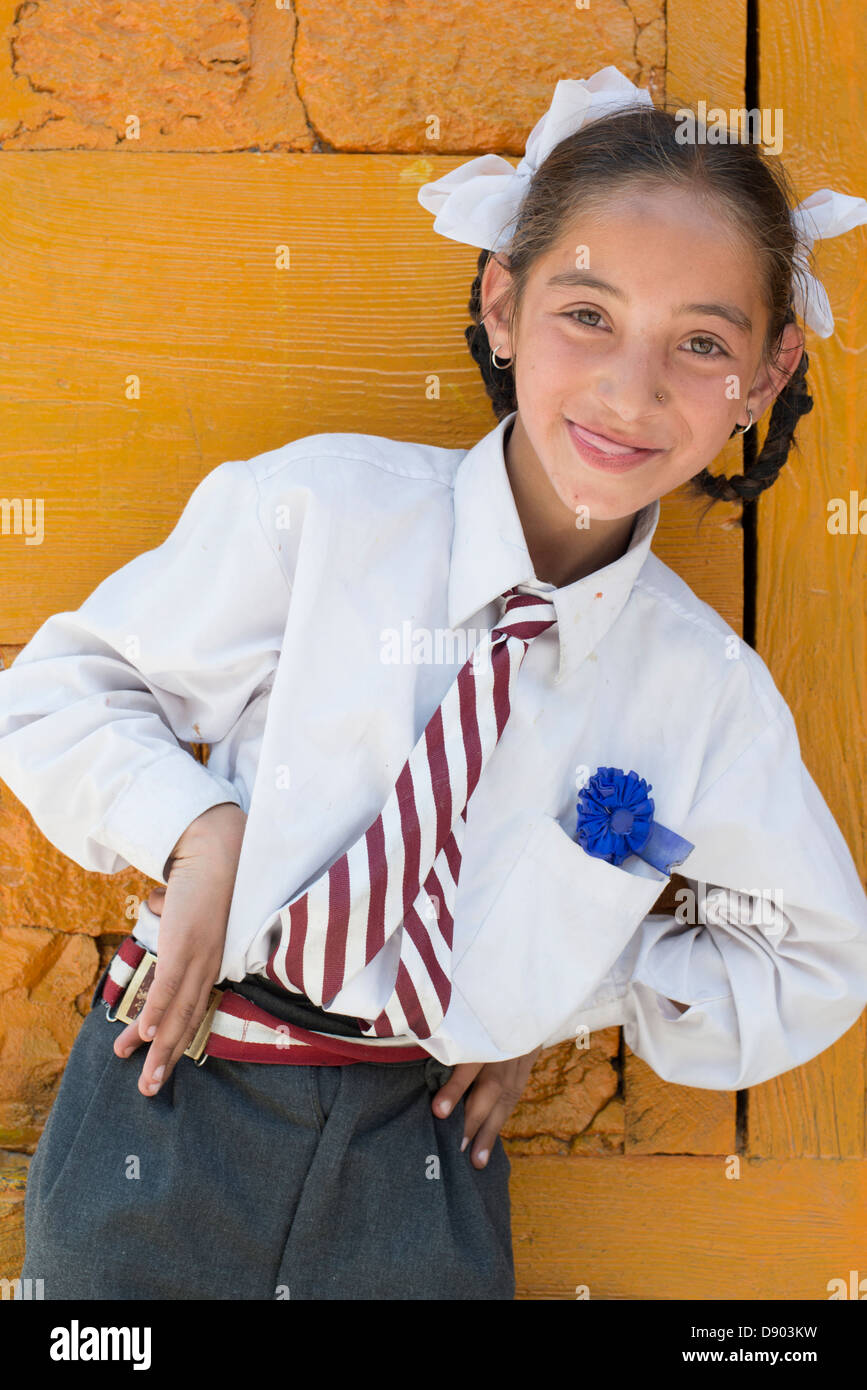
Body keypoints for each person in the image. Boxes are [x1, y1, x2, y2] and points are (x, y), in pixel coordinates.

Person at [2, 65, 867, 1301]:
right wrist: (201, 834)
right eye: (587, 315)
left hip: (421, 1156)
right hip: (170, 1087)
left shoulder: (702, 692)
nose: (632, 388)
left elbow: (813, 954)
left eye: (701, 343)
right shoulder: (319, 515)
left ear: (767, 377)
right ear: (503, 305)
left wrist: (552, 987)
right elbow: (56, 691)